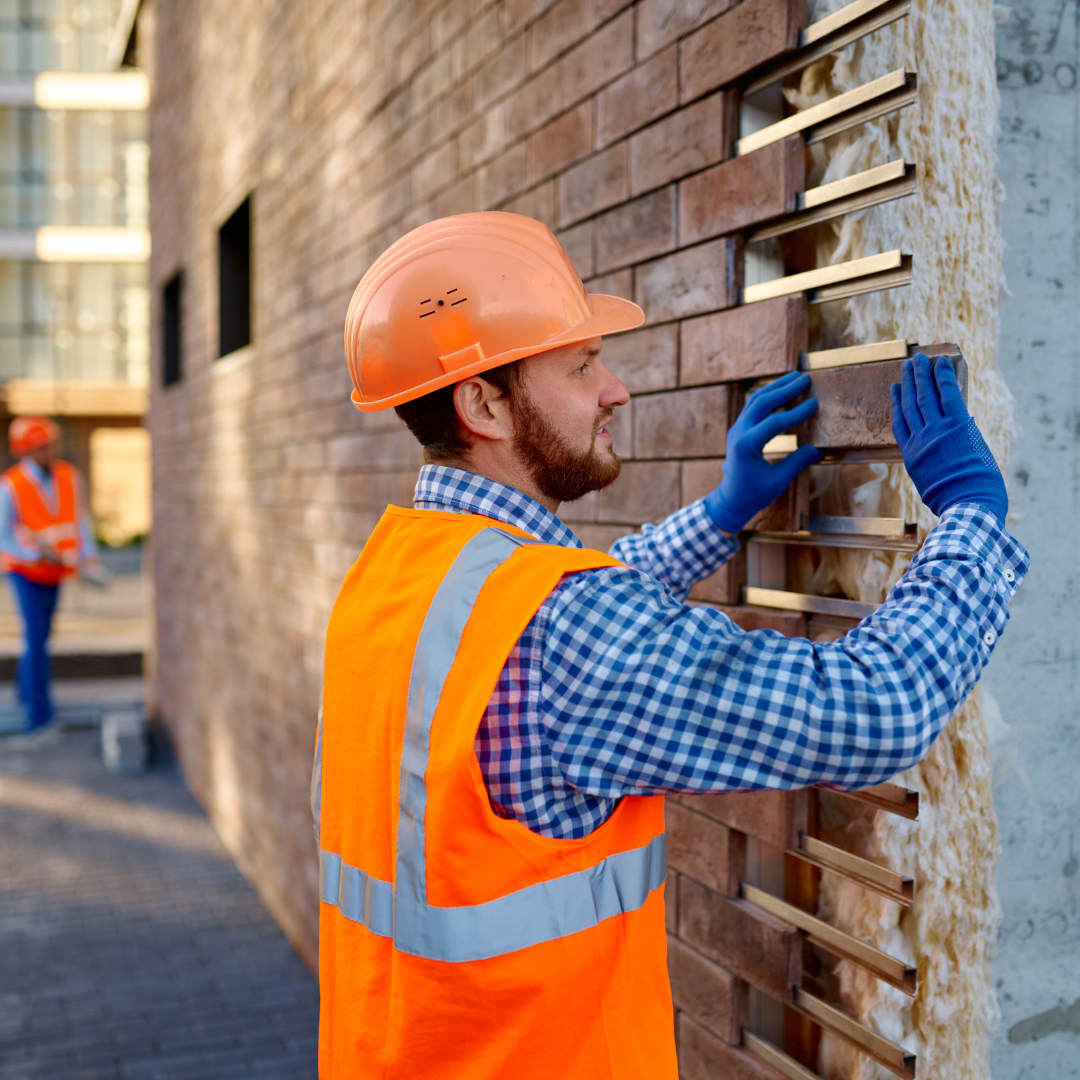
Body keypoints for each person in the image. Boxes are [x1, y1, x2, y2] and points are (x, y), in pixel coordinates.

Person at [313, 212, 1028, 1078]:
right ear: (483, 404)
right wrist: (973, 523)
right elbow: (873, 714)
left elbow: (571, 617)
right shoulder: (564, 627)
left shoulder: (393, 579)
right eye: (581, 367)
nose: (614, 390)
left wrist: (724, 513)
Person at [0, 416, 102, 731]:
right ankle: (39, 715)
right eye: (44, 446)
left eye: (52, 444)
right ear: (27, 450)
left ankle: (25, 696)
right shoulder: (10, 486)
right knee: (35, 637)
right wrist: (35, 552)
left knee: (40, 636)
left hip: (56, 571)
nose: (52, 450)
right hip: (25, 572)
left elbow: (80, 521)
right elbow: (3, 535)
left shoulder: (69, 477)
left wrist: (90, 558)